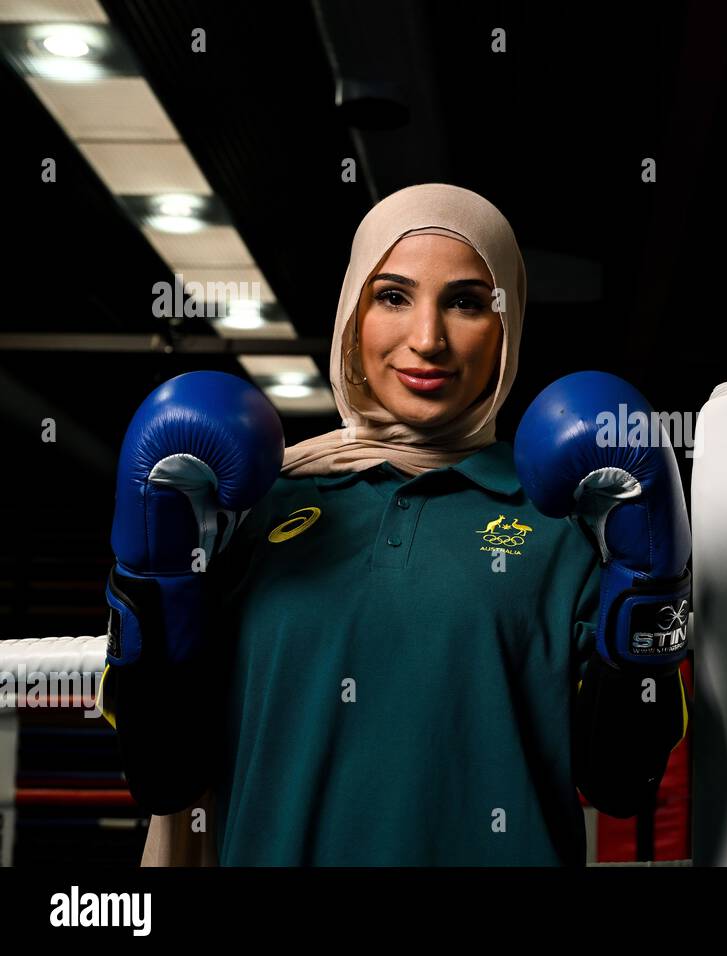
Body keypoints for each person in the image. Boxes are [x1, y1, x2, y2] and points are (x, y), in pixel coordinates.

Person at [101, 183, 689, 865]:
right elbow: (162, 776)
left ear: (508, 323)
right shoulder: (249, 509)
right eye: (393, 296)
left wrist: (649, 582)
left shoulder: (566, 524)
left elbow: (621, 786)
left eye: (466, 301)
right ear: (354, 314)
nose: (427, 339)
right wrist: (156, 575)